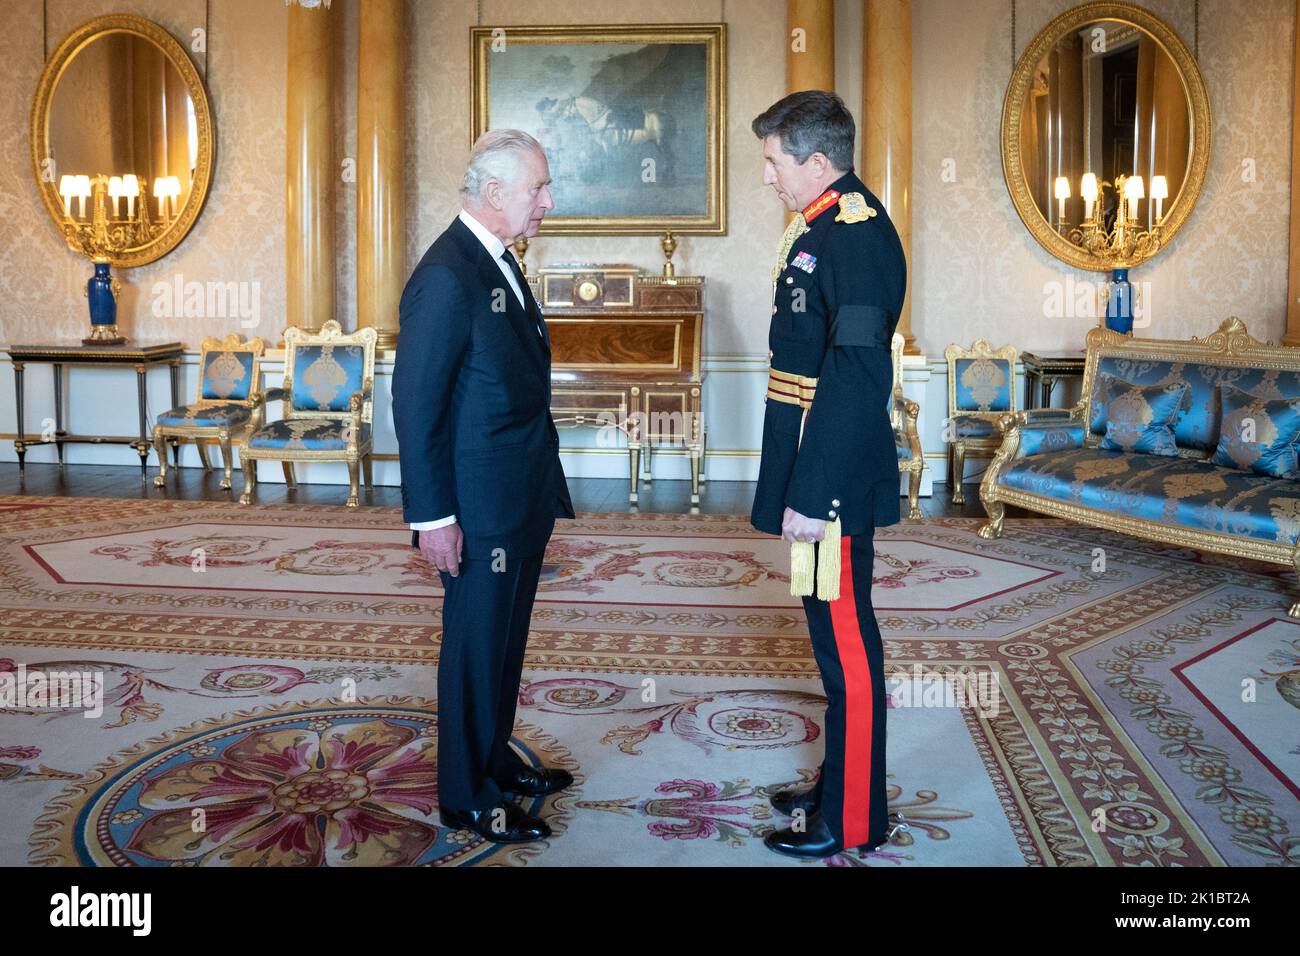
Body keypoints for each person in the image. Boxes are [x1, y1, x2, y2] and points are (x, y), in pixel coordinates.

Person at [392, 129, 575, 844]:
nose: (548, 203)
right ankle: (468, 796)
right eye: (539, 189)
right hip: (474, 508)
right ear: (495, 193)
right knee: (474, 648)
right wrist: (433, 516)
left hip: (516, 499)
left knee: (503, 643)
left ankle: (496, 764)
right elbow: (418, 405)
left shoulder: (494, 260)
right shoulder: (446, 275)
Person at [748, 91, 907, 858]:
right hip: (815, 476)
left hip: (832, 484)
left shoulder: (859, 236)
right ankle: (837, 784)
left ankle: (853, 821)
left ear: (816, 162)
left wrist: (814, 495)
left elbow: (854, 378)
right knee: (827, 638)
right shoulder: (823, 228)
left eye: (774, 161)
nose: (766, 177)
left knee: (847, 648)